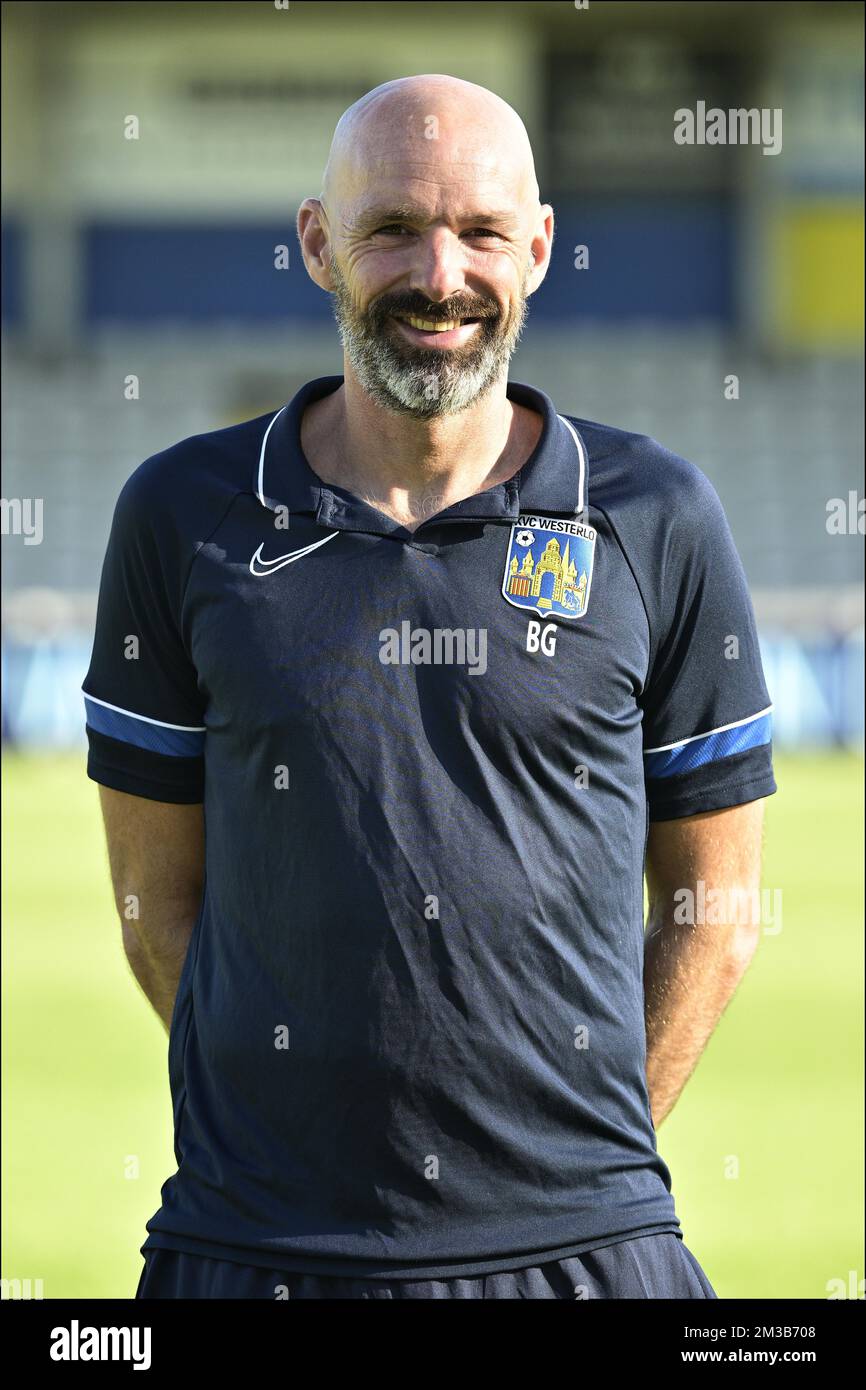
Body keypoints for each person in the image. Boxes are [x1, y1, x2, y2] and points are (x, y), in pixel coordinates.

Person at [83, 74, 775, 1300]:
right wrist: (293, 1157)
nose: (439, 273)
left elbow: (714, 910)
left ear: (541, 248)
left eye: (481, 230)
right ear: (315, 244)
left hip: (588, 1259)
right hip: (257, 1254)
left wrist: (579, 1169)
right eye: (391, 227)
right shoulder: (179, 516)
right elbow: (155, 907)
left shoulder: (655, 515)